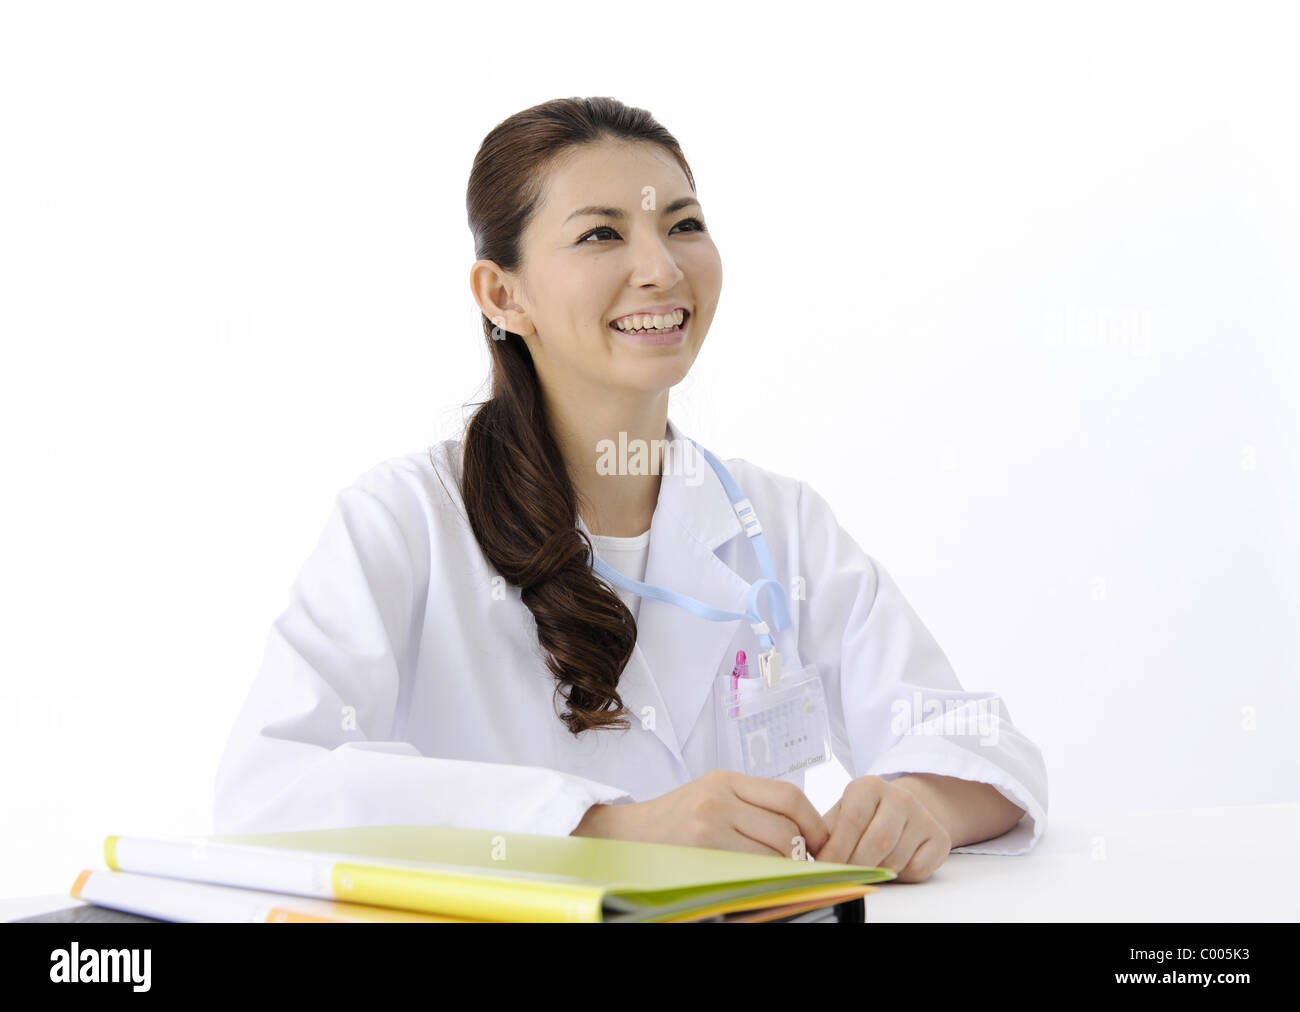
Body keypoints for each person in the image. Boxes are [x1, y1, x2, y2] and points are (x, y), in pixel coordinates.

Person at [213, 97, 1047, 883]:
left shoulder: (776, 524)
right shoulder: (405, 522)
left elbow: (982, 745)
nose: (660, 267)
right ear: (503, 296)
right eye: (601, 235)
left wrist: (918, 801)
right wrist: (608, 830)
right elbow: (271, 793)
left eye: (683, 225)